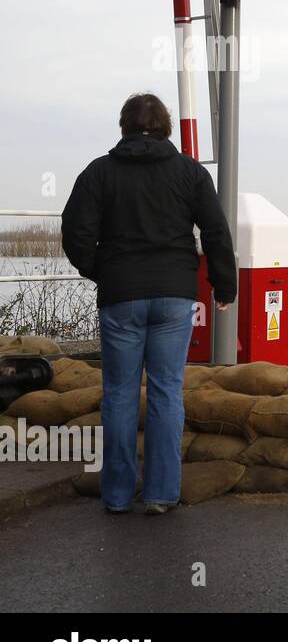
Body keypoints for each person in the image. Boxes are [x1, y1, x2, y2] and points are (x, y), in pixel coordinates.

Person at [62, 93, 237, 515]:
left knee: (119, 394)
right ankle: (160, 494)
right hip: (175, 297)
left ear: (123, 126)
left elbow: (74, 232)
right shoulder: (190, 173)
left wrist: (101, 270)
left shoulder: (99, 173)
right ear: (166, 128)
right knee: (166, 391)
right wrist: (224, 286)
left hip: (120, 297)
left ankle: (118, 496)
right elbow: (215, 231)